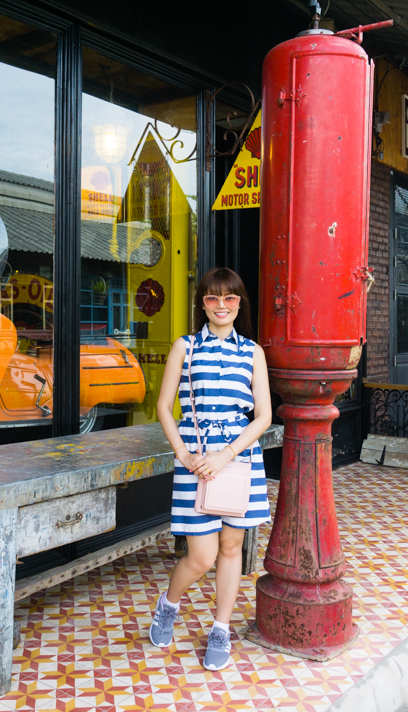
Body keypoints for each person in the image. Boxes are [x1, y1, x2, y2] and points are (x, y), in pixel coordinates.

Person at [148, 267, 272, 671]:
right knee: (200, 556)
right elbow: (164, 408)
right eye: (213, 298)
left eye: (230, 298)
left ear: (240, 304)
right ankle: (169, 604)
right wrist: (184, 455)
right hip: (194, 463)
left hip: (238, 462)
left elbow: (263, 417)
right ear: (202, 303)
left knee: (232, 548)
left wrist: (227, 454)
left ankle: (220, 628)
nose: (222, 306)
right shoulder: (185, 347)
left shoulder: (253, 352)